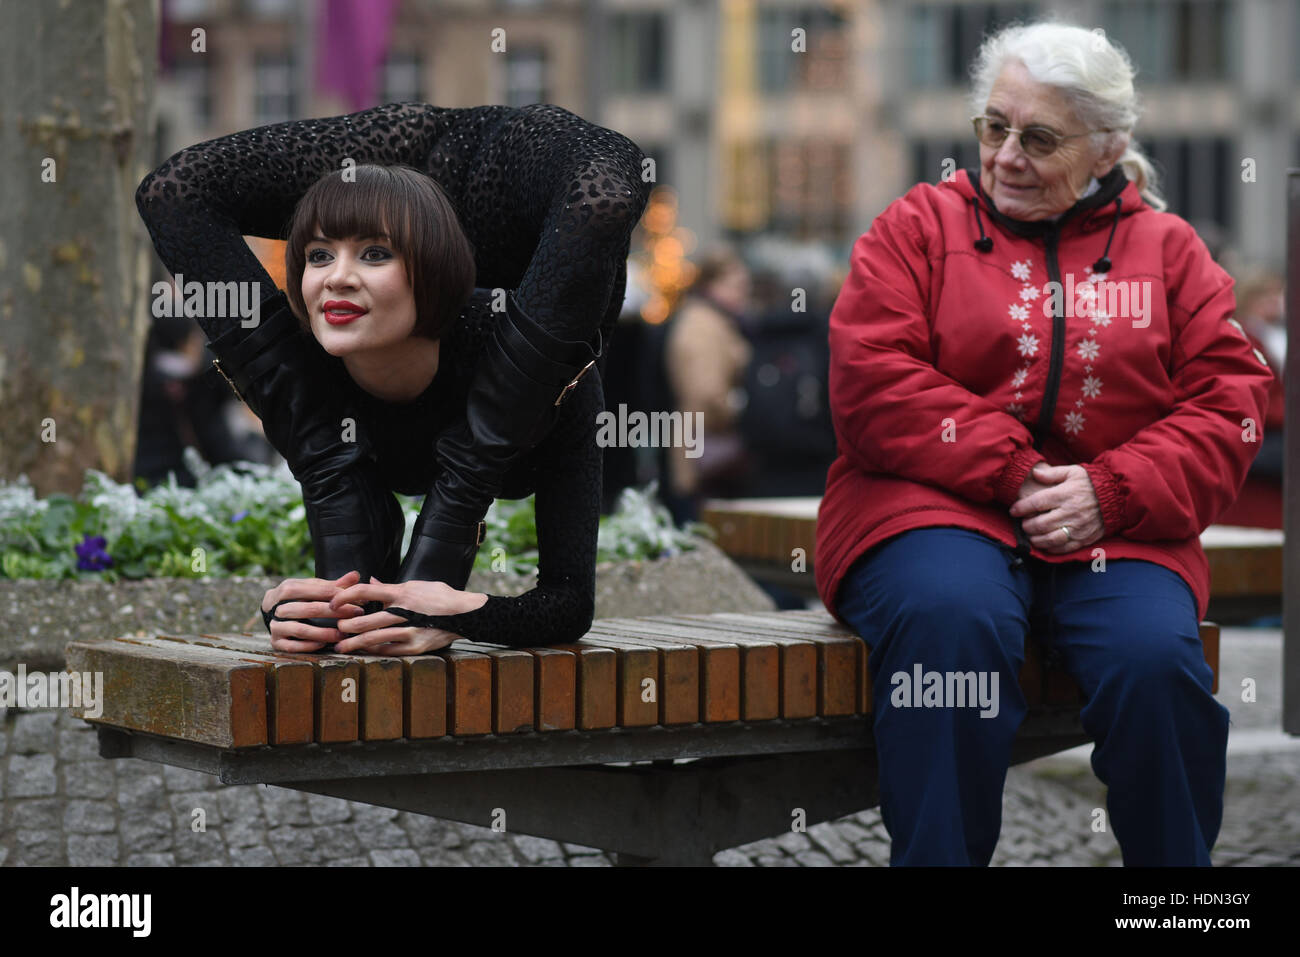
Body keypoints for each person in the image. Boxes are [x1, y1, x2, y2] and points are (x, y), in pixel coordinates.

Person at [815, 21, 1274, 866]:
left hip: (1119, 528)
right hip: (931, 510)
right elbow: (870, 380)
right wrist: (1018, 469)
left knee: (1157, 667)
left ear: (1107, 149)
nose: (1005, 155)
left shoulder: (1171, 253)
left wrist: (1114, 489)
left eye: (1039, 138)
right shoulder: (916, 228)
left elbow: (1231, 400)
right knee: (950, 621)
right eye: (994, 127)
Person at [135, 103, 649, 649]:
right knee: (173, 191)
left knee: (606, 198)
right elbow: (171, 197)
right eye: (316, 256)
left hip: (519, 176)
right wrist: (292, 611)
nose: (337, 279)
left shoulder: (560, 387)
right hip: (399, 166)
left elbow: (568, 604)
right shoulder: (307, 364)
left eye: (373, 254)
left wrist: (456, 613)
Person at [661, 247, 756, 524]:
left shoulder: (711, 320)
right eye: (737, 286)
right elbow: (707, 393)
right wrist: (743, 412)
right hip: (706, 449)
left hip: (703, 447)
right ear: (712, 284)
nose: (743, 295)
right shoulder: (704, 325)